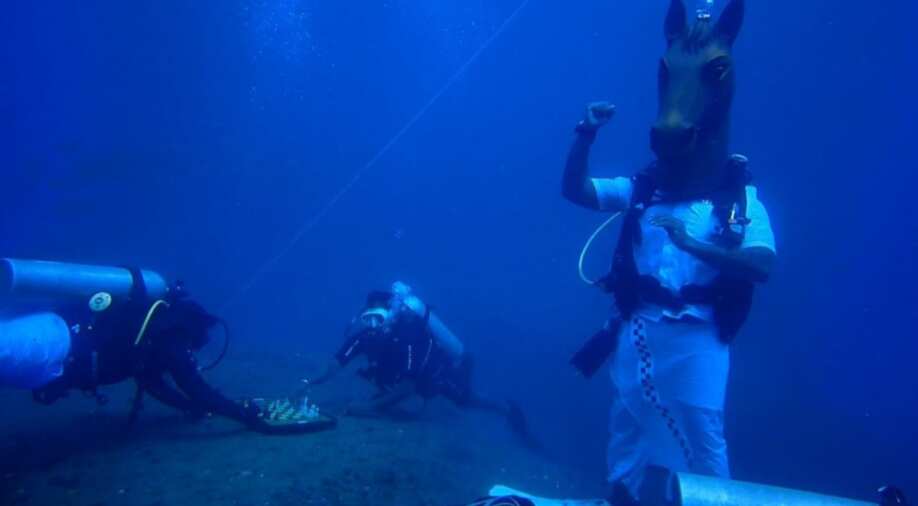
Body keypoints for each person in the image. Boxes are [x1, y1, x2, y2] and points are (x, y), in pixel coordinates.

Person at [561, 0, 775, 501]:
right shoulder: (642, 191)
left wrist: (693, 244)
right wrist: (585, 133)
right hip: (637, 330)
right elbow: (577, 190)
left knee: (703, 434)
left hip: (698, 336)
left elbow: (762, 264)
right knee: (628, 428)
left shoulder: (738, 202)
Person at [0, 263, 273, 434]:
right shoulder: (171, 336)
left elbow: (154, 384)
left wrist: (192, 407)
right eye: (198, 340)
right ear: (193, 326)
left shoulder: (152, 335)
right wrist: (243, 414)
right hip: (54, 344)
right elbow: (194, 387)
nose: (194, 348)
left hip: (53, 349)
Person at [306, 282, 529, 437]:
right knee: (389, 390)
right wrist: (309, 382)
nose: (373, 326)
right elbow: (337, 362)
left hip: (434, 375)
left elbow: (408, 387)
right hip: (397, 379)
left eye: (378, 319)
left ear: (389, 316)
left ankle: (506, 409)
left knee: (465, 399)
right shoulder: (365, 336)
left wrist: (369, 407)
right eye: (368, 319)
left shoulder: (407, 335)